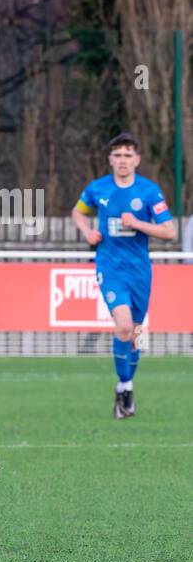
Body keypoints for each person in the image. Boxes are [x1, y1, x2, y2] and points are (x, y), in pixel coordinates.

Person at [70, 132, 175, 418]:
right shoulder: (97, 189)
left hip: (140, 271)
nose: (122, 160)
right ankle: (126, 387)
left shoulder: (150, 192)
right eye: (117, 155)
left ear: (137, 159)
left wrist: (138, 223)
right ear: (110, 160)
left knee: (136, 334)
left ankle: (125, 387)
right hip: (110, 267)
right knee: (124, 325)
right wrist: (87, 231)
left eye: (128, 155)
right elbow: (77, 213)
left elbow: (169, 231)